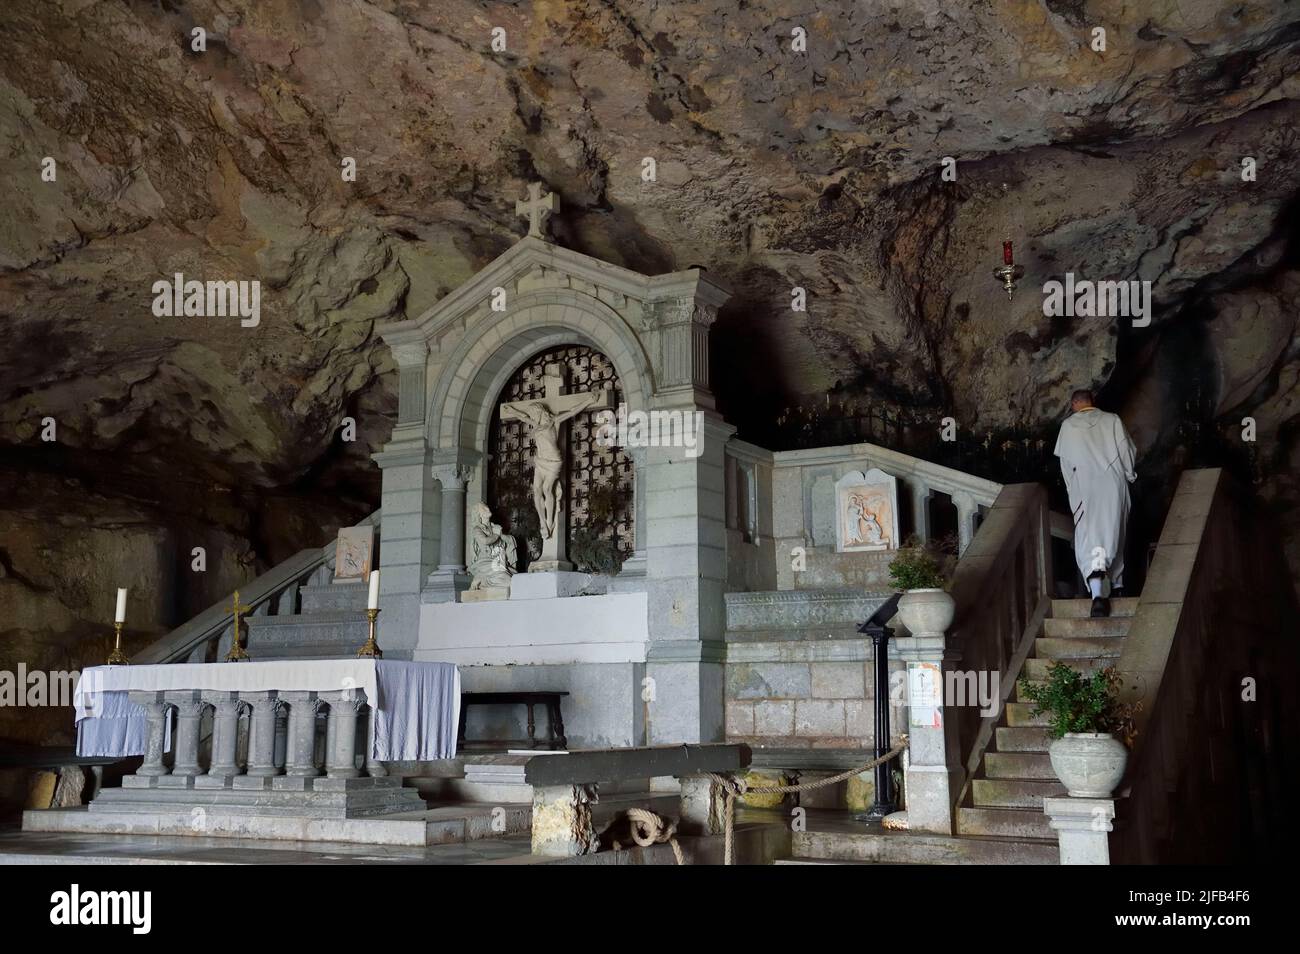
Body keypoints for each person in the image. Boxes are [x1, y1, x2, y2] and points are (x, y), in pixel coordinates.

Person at [1054, 389, 1137, 617]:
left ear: (1073, 405)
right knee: (1115, 531)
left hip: (1085, 486)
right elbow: (1126, 451)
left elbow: (1066, 465)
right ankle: (1118, 586)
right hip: (1113, 484)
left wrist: (1073, 491)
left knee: (1091, 537)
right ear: (1093, 401)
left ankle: (1098, 595)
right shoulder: (1112, 420)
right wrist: (1129, 475)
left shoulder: (1068, 427)